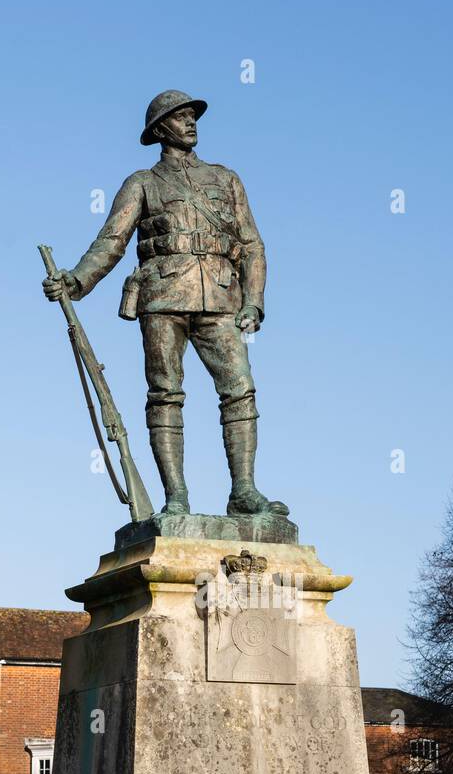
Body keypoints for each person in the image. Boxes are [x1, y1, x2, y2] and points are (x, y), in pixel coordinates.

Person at [43, 90, 288, 518]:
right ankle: (176, 497)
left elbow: (252, 245)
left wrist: (255, 301)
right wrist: (77, 279)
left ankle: (244, 491)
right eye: (180, 117)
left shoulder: (226, 178)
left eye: (193, 116)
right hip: (162, 297)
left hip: (221, 296)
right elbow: (112, 242)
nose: (191, 123)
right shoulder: (142, 183)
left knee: (240, 390)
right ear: (160, 130)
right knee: (165, 395)